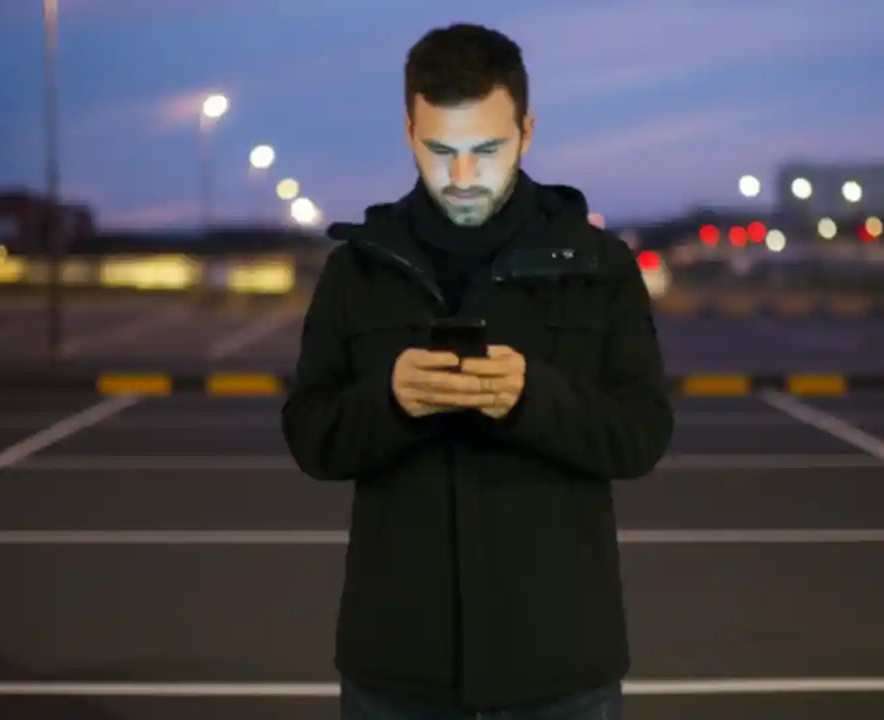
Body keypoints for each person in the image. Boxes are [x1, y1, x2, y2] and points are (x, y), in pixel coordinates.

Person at [281, 22, 674, 719]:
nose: (462, 178)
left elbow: (641, 434)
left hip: (560, 670)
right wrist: (391, 401)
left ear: (527, 130)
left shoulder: (599, 267)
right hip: (396, 671)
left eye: (486, 150)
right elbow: (310, 437)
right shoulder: (358, 268)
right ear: (409, 132)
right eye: (440, 151)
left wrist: (532, 397)